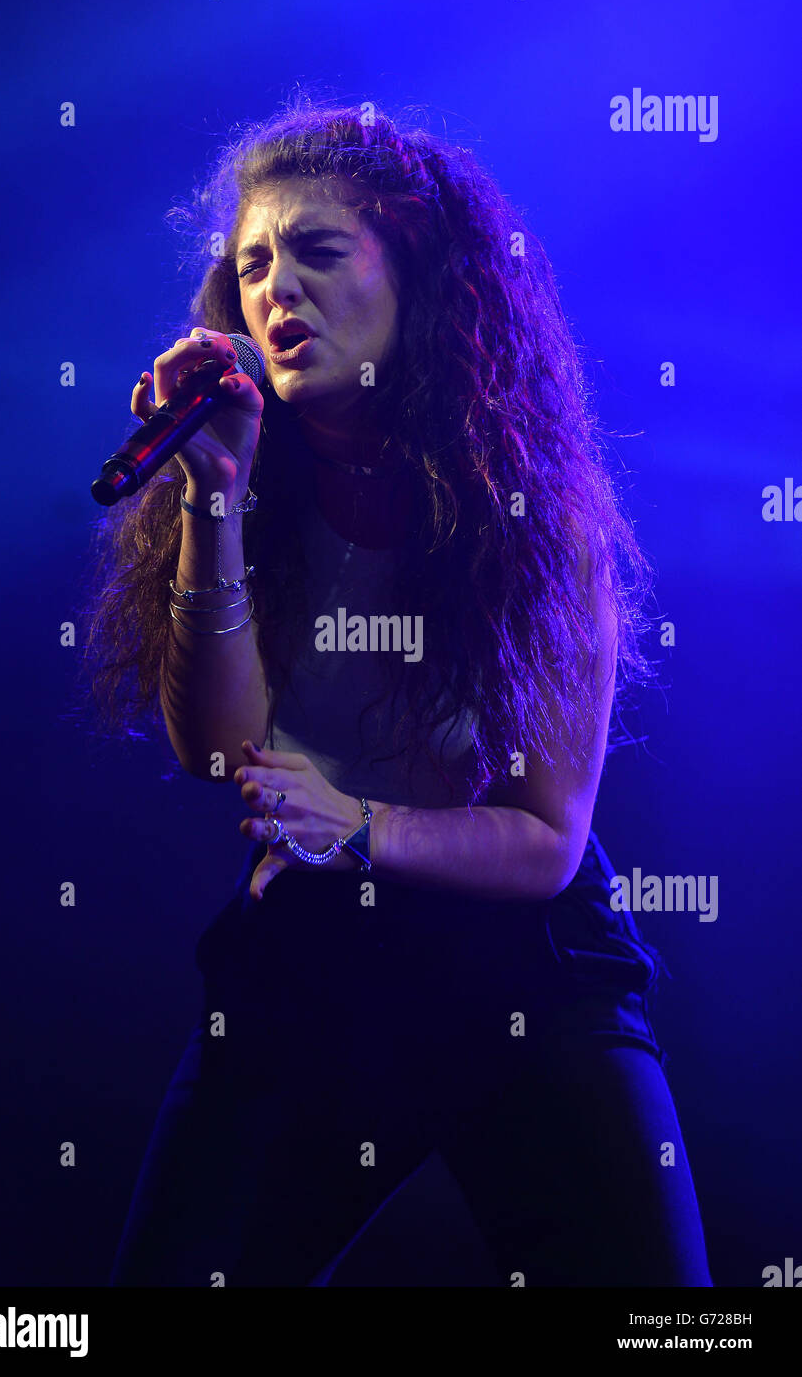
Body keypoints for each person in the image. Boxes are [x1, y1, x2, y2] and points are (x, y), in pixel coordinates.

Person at [83, 98, 713, 1286]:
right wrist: (213, 496)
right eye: (253, 264)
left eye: (320, 253)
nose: (276, 290)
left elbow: (544, 841)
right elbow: (220, 754)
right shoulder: (245, 478)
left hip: (524, 968)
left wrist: (359, 826)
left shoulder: (538, 523)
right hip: (311, 964)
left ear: (419, 280)